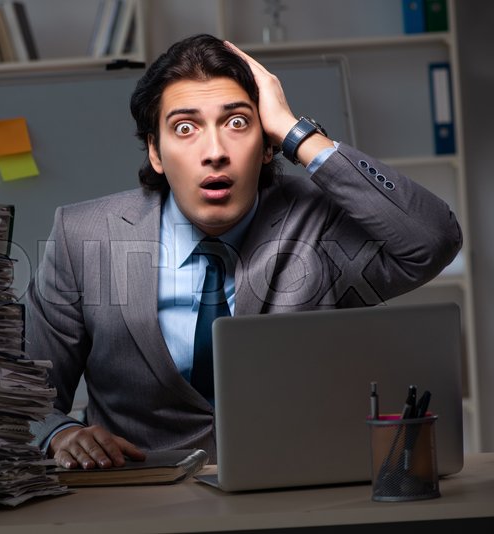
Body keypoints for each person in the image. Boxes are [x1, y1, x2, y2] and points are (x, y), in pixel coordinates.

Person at [26, 34, 462, 469]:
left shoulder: (315, 222)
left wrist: (297, 132)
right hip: (140, 500)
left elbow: (432, 240)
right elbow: (19, 395)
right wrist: (61, 433)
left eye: (237, 123)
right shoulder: (81, 237)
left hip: (292, 492)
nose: (214, 153)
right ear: (156, 152)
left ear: (268, 144)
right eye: (185, 128)